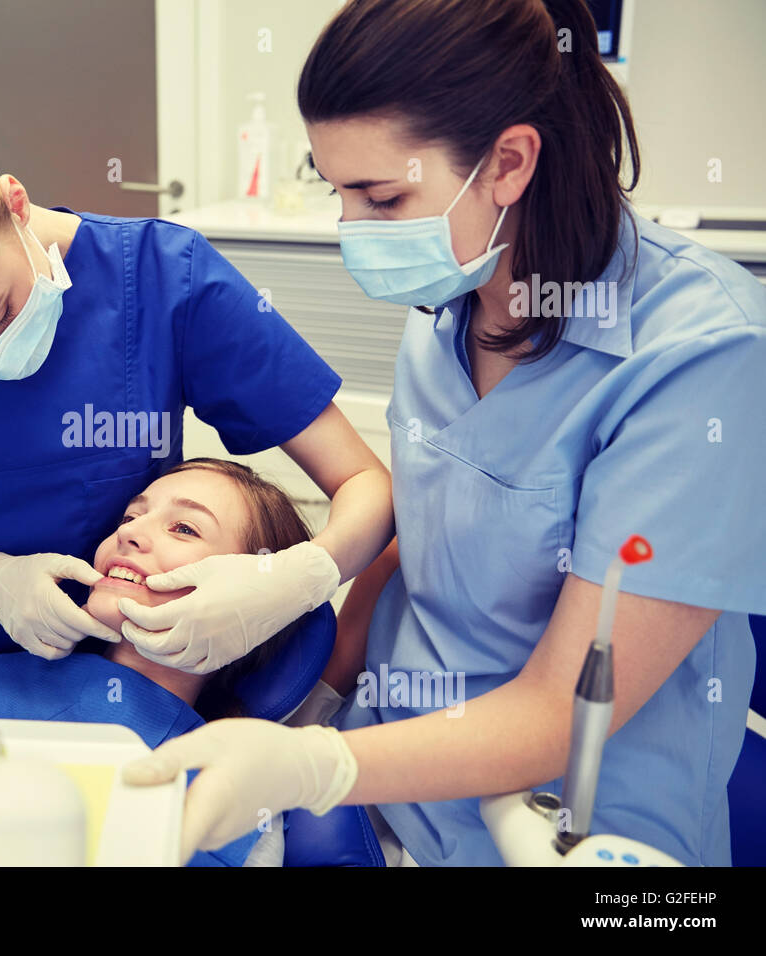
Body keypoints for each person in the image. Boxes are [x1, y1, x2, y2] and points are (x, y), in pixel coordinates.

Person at [120, 0, 766, 867]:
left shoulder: (701, 359)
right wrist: (322, 694)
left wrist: (318, 763)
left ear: (508, 162)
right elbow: (420, 539)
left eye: (381, 197)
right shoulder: (448, 302)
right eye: (334, 186)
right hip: (388, 769)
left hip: (569, 825)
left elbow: (556, 716)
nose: (351, 227)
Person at [0, 90, 392, 713]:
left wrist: (293, 579)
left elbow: (364, 480)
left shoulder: (164, 279)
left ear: (15, 205)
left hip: (109, 663)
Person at [0, 458, 327, 866]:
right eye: (131, 515)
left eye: (184, 528)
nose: (128, 532)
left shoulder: (237, 798)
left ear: (255, 600)